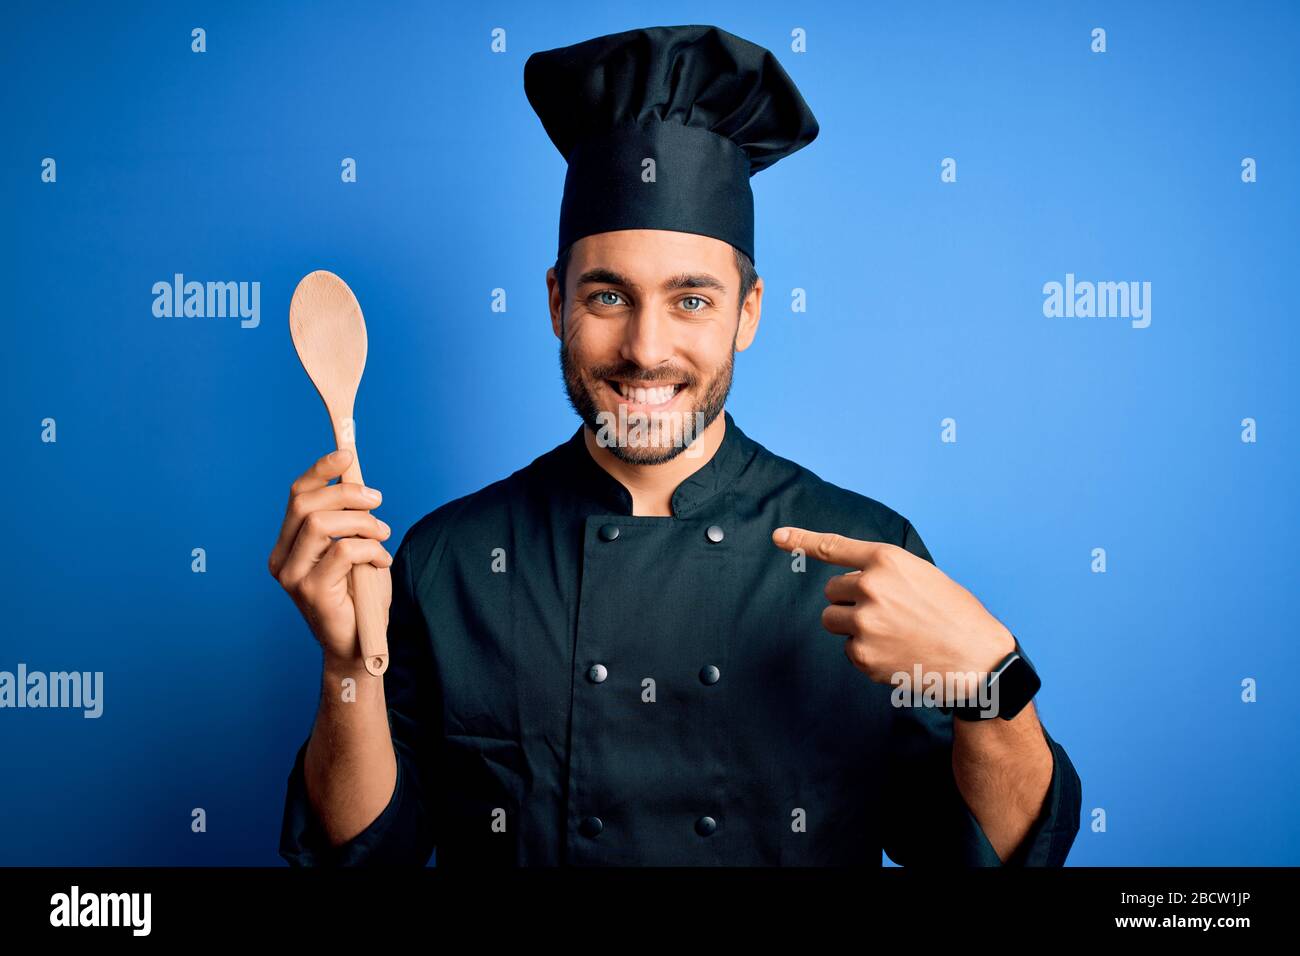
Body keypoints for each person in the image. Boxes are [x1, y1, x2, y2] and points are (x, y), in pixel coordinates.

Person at [271, 24, 1082, 866]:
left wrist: (995, 685)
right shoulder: (452, 559)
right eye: (609, 296)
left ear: (750, 311)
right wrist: (346, 666)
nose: (646, 349)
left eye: (691, 300)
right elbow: (364, 853)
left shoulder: (866, 558)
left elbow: (997, 853)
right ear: (556, 304)